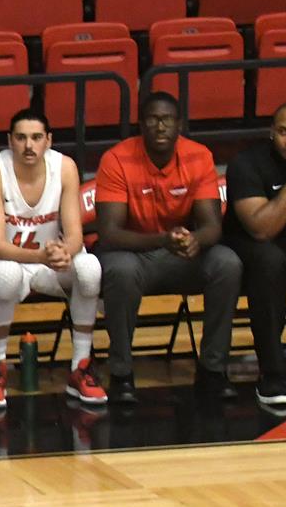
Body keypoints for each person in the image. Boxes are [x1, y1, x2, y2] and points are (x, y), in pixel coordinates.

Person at [94, 91, 241, 407]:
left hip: (182, 254)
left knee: (227, 263)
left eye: (167, 120)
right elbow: (109, 234)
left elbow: (213, 224)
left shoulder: (198, 156)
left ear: (180, 125)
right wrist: (163, 239)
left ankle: (213, 370)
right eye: (152, 119)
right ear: (141, 125)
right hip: (134, 254)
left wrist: (196, 241)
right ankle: (121, 373)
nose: (160, 127)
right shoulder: (116, 159)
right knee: (119, 269)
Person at [0, 109, 106, 409]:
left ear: (48, 140)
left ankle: (80, 366)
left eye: (36, 138)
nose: (28, 145)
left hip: (48, 262)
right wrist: (41, 256)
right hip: (5, 261)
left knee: (89, 267)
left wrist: (64, 252)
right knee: (7, 276)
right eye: (21, 138)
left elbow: (74, 235)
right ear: (10, 141)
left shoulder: (65, 167)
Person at [220, 99, 286, 414]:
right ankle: (272, 375)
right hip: (247, 245)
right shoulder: (247, 163)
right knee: (269, 261)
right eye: (283, 132)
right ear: (271, 132)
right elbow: (261, 229)